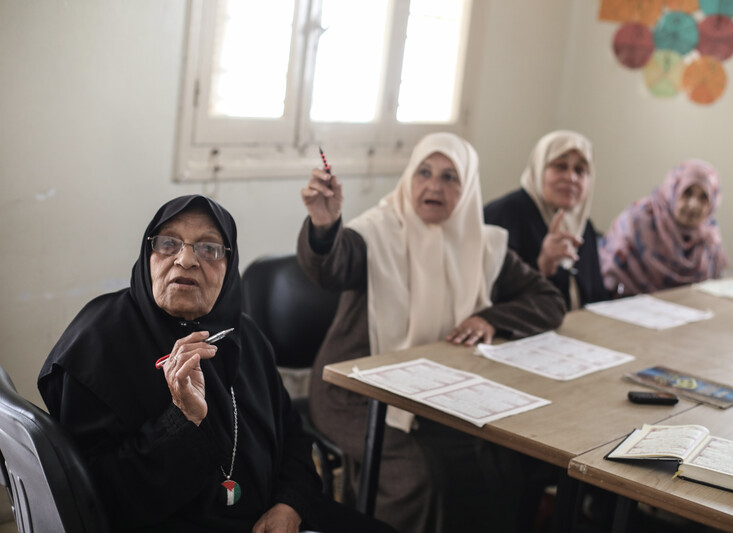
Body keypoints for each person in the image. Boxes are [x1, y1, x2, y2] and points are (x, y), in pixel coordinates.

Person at [38, 195, 395, 533]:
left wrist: (290, 504)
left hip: (274, 515)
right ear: (148, 255)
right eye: (168, 243)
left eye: (208, 249)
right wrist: (182, 419)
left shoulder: (245, 336)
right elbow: (95, 500)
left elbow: (294, 438)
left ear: (230, 265)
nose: (186, 260)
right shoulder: (99, 345)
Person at [297, 132, 567, 533]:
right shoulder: (374, 232)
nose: (433, 186)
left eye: (449, 177)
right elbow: (330, 268)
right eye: (424, 172)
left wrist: (491, 319)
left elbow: (548, 300)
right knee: (417, 477)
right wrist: (324, 224)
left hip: (441, 391)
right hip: (355, 391)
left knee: (497, 464)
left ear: (468, 186)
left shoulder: (483, 245)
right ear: (409, 177)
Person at [484, 130, 608, 310]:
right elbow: (492, 296)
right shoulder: (504, 215)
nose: (571, 178)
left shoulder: (584, 226)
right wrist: (542, 265)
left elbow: (597, 297)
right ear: (539, 167)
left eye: (580, 170)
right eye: (560, 166)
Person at [599, 158, 728, 296]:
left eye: (703, 197)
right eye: (687, 193)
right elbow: (610, 277)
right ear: (672, 190)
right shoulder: (637, 221)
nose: (693, 205)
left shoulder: (709, 238)